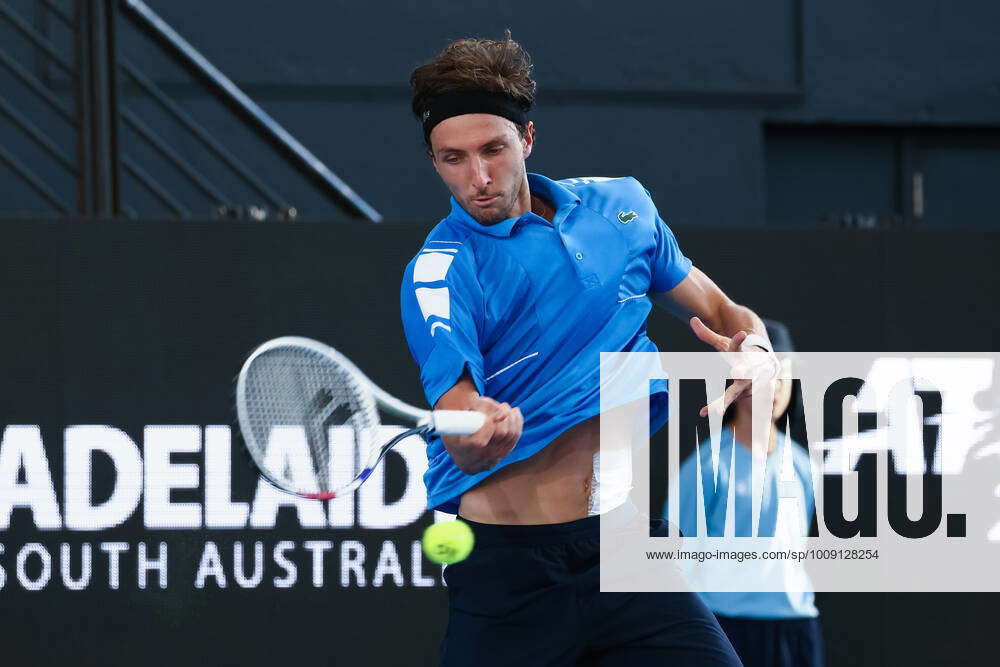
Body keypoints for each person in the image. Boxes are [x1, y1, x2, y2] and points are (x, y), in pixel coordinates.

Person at [400, 32, 775, 666]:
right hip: (510, 574)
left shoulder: (622, 209)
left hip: (622, 544)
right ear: (434, 160)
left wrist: (755, 347)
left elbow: (718, 307)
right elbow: (458, 420)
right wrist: (477, 431)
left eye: (493, 149)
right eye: (452, 159)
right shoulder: (439, 272)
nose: (479, 178)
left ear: (528, 139)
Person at [666, 320, 824, 667]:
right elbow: (674, 561)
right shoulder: (706, 467)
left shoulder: (803, 466)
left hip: (794, 627)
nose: (775, 385)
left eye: (783, 374)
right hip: (723, 629)